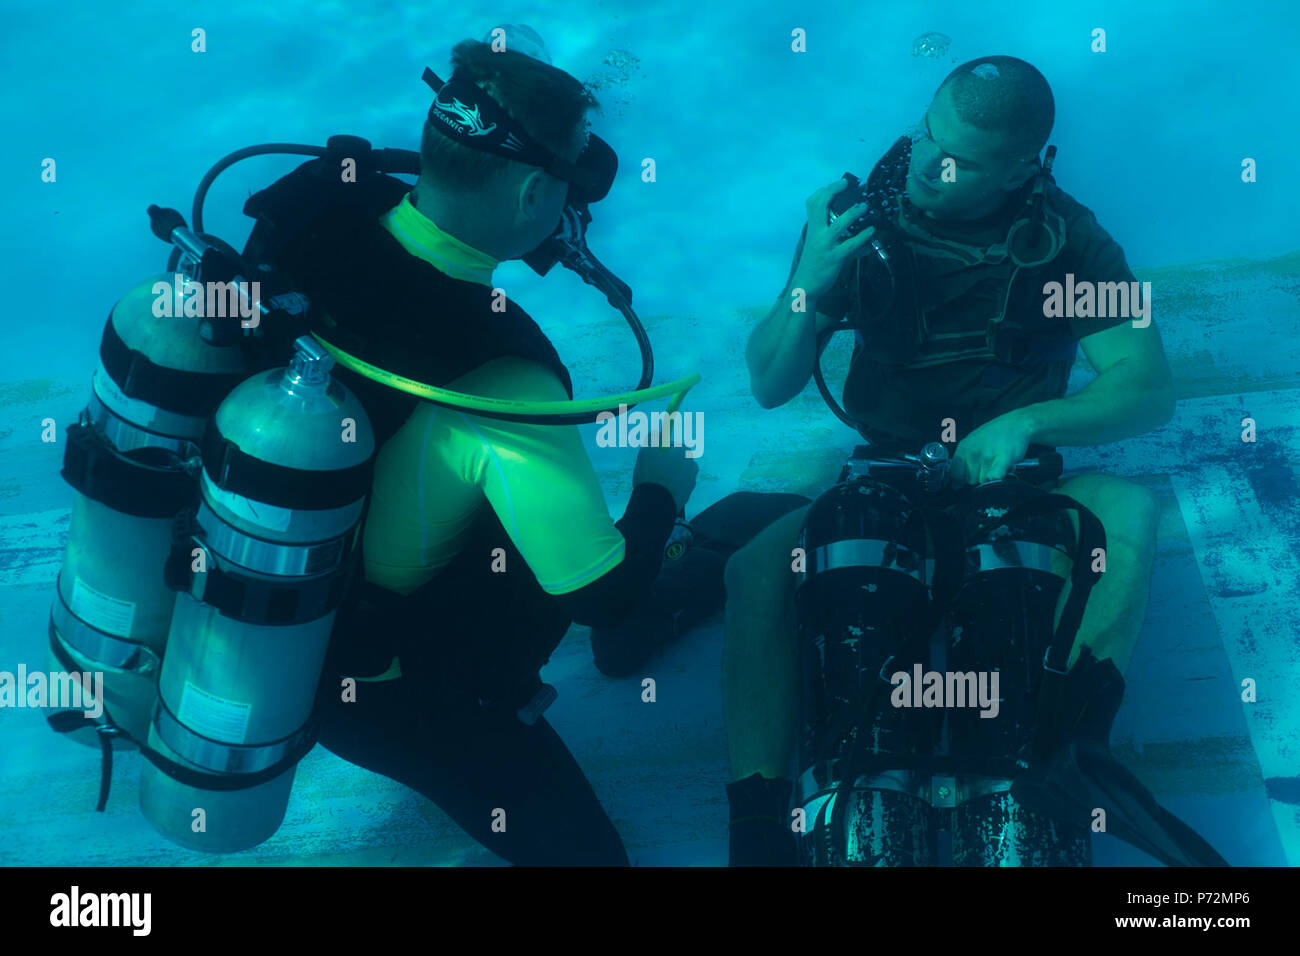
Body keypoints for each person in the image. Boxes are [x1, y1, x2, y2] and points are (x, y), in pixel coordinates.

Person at [241, 34, 698, 865]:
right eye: (568, 186)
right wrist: (663, 486)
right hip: (377, 693)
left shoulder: (314, 223)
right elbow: (602, 596)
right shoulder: (502, 374)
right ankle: (482, 705)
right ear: (533, 192)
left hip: (252, 597)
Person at [726, 56, 1180, 865]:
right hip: (883, 466)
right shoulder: (852, 218)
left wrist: (1028, 421)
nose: (928, 166)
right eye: (929, 134)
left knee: (1132, 514)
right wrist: (809, 280)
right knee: (754, 569)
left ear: (1020, 170)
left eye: (960, 161)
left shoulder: (1068, 241)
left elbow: (1147, 389)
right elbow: (768, 383)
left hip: (1019, 471)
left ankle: (1075, 749)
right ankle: (758, 819)